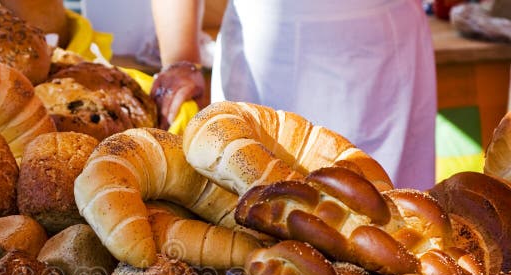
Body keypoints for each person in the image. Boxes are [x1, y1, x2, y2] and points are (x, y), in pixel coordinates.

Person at [151, 0, 437, 190]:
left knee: (394, 229)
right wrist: (181, 61)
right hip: (267, 52)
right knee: (259, 217)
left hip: (387, 53)